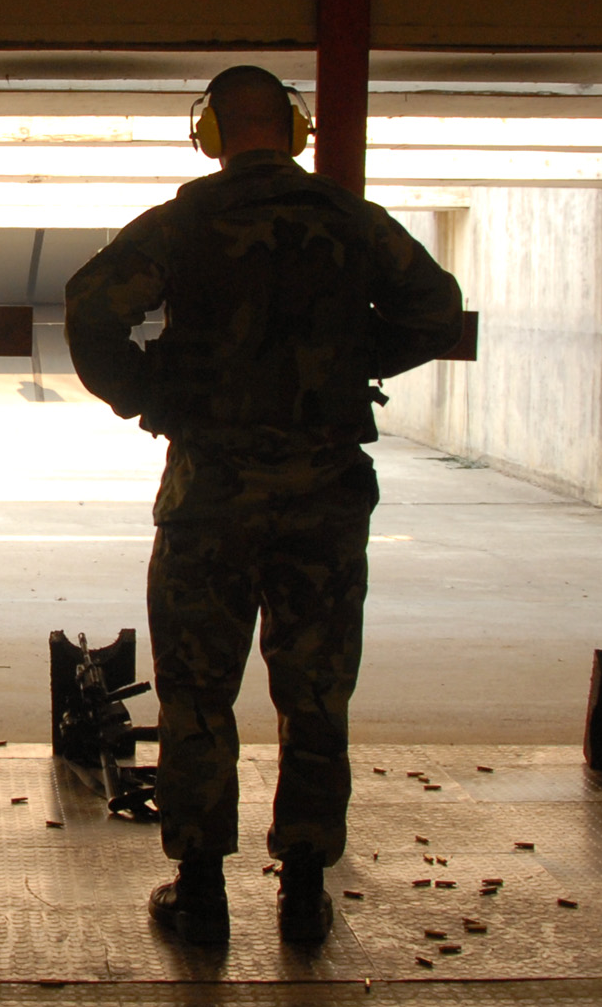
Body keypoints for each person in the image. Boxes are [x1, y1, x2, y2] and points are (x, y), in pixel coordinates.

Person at [63, 65, 464, 949]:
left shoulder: (183, 224)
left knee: (198, 695)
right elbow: (437, 311)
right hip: (323, 498)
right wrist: (348, 363)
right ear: (296, 129)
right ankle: (305, 891)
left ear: (208, 133)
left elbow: (90, 309)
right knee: (317, 691)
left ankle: (201, 891)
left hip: (210, 496)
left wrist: (152, 397)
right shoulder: (351, 222)